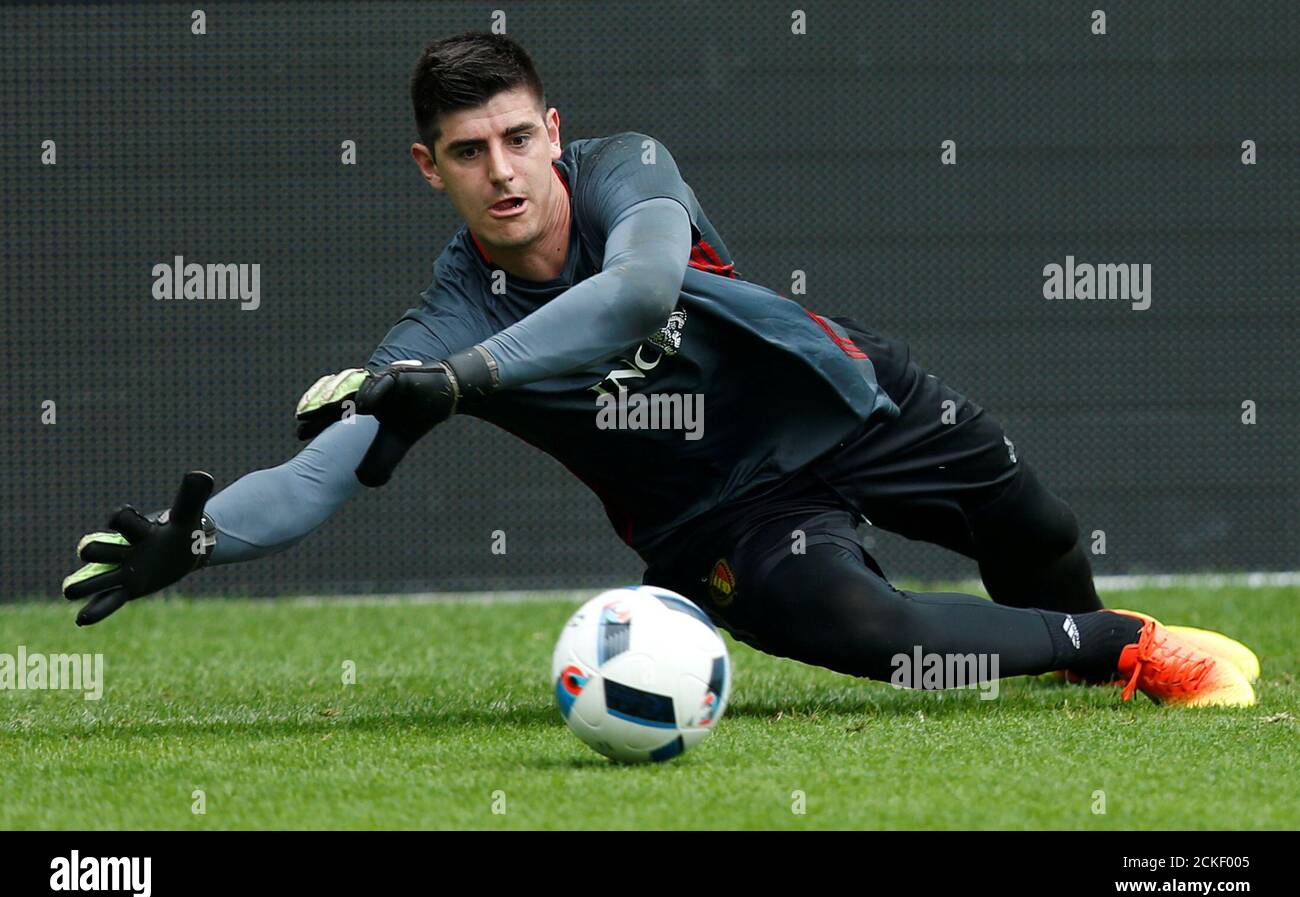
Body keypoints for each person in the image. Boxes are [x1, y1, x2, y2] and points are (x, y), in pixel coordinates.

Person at [64, 31, 1258, 708]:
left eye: (521, 138)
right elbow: (322, 471)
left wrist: (466, 380)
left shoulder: (628, 168)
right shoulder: (437, 323)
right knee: (863, 624)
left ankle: (1066, 637)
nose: (507, 171)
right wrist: (208, 535)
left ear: (553, 127)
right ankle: (1129, 649)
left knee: (1034, 523)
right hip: (718, 515)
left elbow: (636, 289)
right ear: (428, 167)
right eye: (470, 152)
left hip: (838, 400)